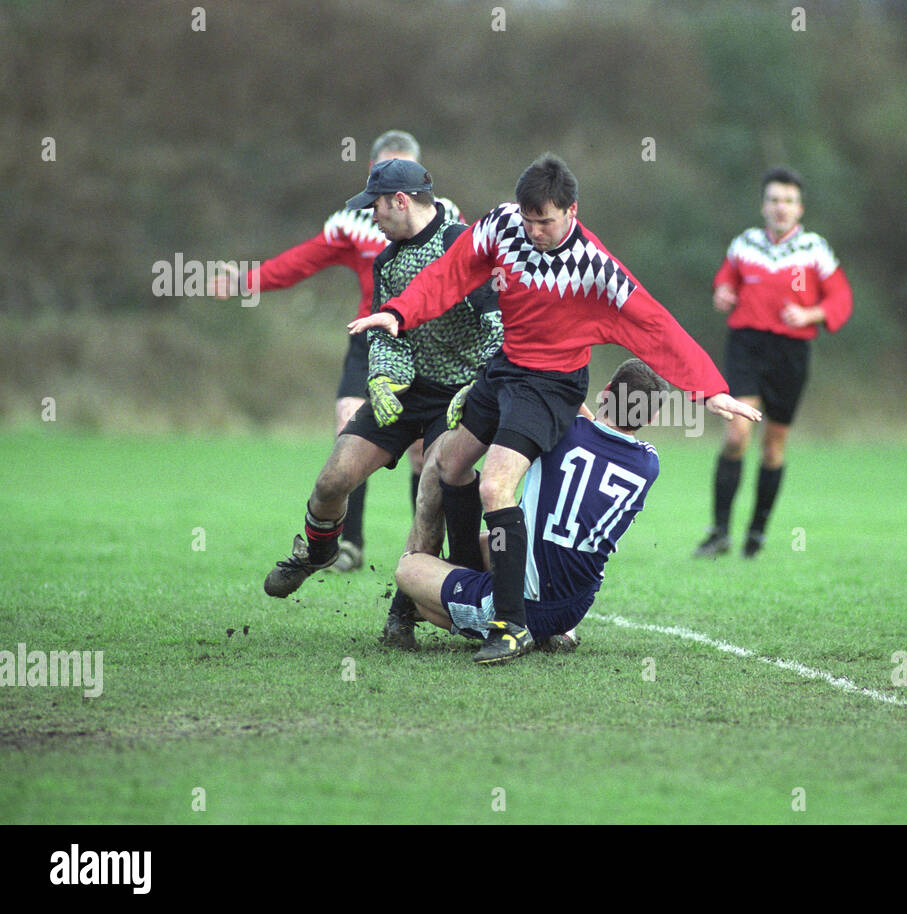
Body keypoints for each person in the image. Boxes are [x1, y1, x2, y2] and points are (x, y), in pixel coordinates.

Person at [348, 153, 761, 664]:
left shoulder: (595, 267)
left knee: (495, 485)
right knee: (445, 467)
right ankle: (464, 574)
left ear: (571, 210)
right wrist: (398, 311)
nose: (535, 230)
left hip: (551, 386)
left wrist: (708, 388)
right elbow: (450, 274)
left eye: (545, 220)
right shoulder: (502, 224)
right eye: (529, 218)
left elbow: (656, 327)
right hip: (504, 370)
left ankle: (511, 624)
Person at [263, 159, 502, 634]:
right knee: (333, 480)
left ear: (400, 200)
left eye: (374, 205)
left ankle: (403, 610)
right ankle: (320, 548)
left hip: (460, 395)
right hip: (409, 393)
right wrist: (383, 380)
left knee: (431, 489)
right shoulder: (387, 261)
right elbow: (387, 334)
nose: (371, 216)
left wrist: (481, 384)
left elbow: (500, 325)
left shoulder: (462, 245)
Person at [211, 130, 464, 572]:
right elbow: (302, 260)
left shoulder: (448, 223)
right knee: (350, 422)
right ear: (372, 171)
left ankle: (421, 553)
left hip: (430, 349)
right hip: (371, 339)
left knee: (426, 454)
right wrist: (245, 280)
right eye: (384, 168)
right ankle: (348, 544)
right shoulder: (355, 225)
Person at [395, 360, 665, 662]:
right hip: (574, 606)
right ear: (651, 417)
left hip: (529, 603)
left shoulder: (558, 431)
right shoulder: (648, 463)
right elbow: (594, 434)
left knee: (410, 570)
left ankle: (511, 627)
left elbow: (573, 419)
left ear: (605, 393)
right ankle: (554, 630)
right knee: (488, 542)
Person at [693, 167, 852, 559]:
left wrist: (811, 314)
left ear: (800, 208)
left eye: (789, 201)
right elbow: (724, 282)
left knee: (773, 446)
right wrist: (723, 293)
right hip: (746, 345)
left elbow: (841, 300)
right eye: (775, 200)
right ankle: (719, 532)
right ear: (763, 205)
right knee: (736, 435)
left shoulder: (815, 248)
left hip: (791, 353)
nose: (781, 207)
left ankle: (757, 532)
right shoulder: (745, 244)